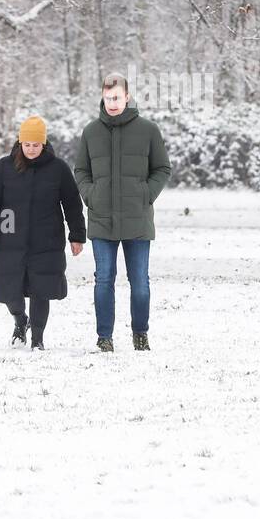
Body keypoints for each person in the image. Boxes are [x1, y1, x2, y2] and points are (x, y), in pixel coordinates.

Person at [74, 72, 171, 353]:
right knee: (104, 279)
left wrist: (145, 194)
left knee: (140, 282)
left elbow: (162, 168)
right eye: (108, 98)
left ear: (127, 96)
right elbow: (81, 170)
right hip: (102, 220)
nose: (112, 103)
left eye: (117, 97)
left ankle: (140, 333)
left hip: (137, 219)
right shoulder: (91, 131)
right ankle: (104, 337)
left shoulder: (148, 130)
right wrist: (91, 194)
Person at [0, 116, 85, 350]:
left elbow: (72, 204)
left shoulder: (58, 169)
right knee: (9, 288)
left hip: (46, 241)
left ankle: (37, 339)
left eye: (36, 145)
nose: (31, 149)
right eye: (27, 145)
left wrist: (77, 236)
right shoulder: (5, 167)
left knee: (41, 289)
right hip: (10, 237)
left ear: (43, 144)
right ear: (20, 143)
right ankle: (19, 319)